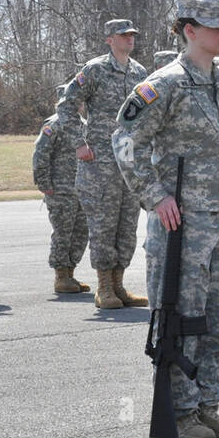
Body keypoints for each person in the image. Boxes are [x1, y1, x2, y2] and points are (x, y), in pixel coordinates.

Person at [113, 0, 219, 438]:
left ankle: (209, 406)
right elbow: (125, 139)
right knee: (183, 316)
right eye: (215, 26)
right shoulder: (165, 84)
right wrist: (154, 195)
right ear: (188, 30)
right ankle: (181, 412)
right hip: (184, 224)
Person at [56, 19, 149, 310]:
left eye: (132, 34)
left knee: (127, 224)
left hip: (130, 161)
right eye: (123, 35)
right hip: (101, 162)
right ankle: (104, 287)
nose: (129, 39)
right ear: (109, 39)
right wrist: (79, 143)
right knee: (104, 224)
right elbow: (66, 106)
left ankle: (119, 285)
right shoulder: (94, 69)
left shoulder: (139, 72)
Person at [33, 108, 90, 295]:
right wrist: (43, 182)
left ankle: (70, 273)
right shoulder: (54, 124)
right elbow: (41, 153)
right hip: (61, 189)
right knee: (63, 232)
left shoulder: (84, 125)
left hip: (81, 189)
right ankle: (60, 276)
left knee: (81, 232)